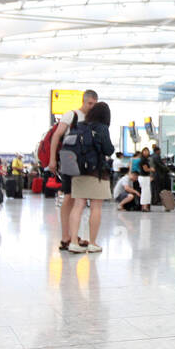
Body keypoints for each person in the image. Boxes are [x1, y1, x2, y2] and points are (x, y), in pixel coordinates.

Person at [47, 89, 99, 250]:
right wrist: (52, 159)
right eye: (90, 103)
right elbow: (56, 136)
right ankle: (65, 236)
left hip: (84, 164)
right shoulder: (72, 115)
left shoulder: (92, 119)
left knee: (77, 199)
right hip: (70, 162)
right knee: (69, 197)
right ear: (83, 101)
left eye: (94, 104)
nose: (92, 107)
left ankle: (72, 236)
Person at [64, 101, 116, 252]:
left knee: (78, 206)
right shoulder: (102, 127)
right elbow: (108, 150)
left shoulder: (79, 125)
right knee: (96, 207)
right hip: (96, 173)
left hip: (78, 171)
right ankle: (92, 243)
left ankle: (73, 241)